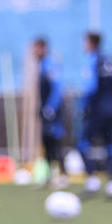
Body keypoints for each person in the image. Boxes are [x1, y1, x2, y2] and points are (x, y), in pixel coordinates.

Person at [77, 31, 112, 199]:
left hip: (97, 111)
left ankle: (92, 181)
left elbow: (90, 87)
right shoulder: (111, 61)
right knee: (111, 146)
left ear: (91, 43)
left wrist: (84, 107)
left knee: (83, 143)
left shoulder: (91, 60)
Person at [32, 38, 66, 186]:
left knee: (54, 143)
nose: (34, 52)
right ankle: (49, 177)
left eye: (36, 48)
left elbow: (57, 89)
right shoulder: (41, 65)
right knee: (46, 142)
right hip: (47, 111)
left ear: (43, 48)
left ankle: (63, 176)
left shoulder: (49, 65)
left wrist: (50, 108)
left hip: (53, 113)